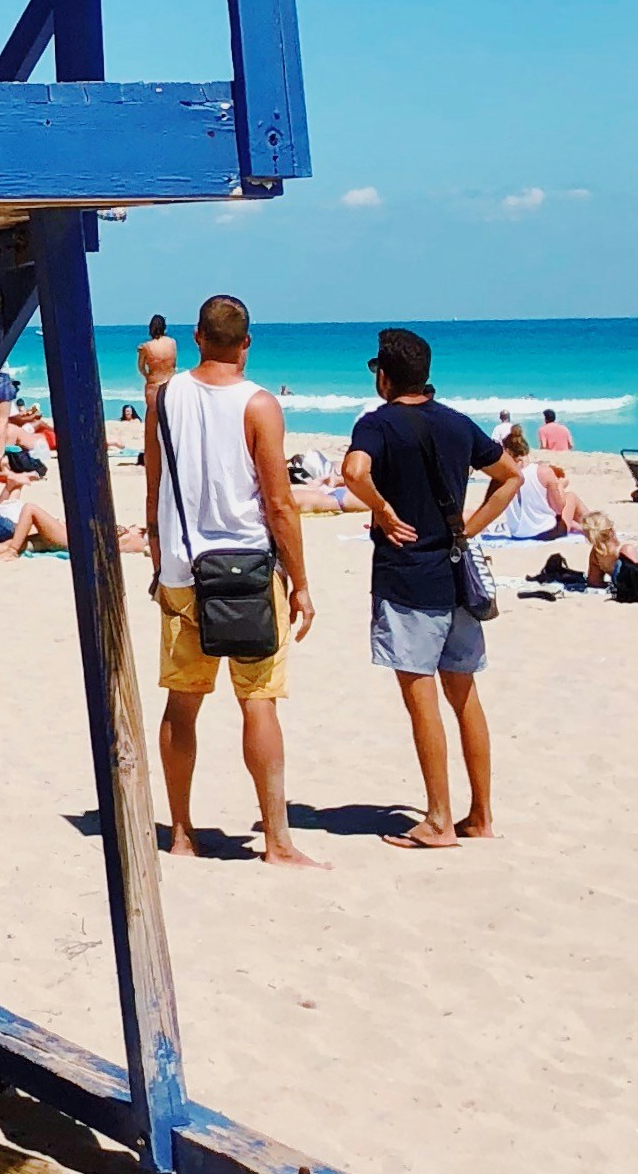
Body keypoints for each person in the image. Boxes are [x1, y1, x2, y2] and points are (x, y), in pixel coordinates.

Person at [143, 295, 320, 865]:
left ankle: (182, 834)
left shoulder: (164, 398)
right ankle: (276, 840)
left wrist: (156, 554)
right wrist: (301, 581)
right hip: (246, 569)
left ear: (199, 336)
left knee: (183, 703)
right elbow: (278, 502)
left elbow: (155, 486)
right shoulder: (259, 404)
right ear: (247, 342)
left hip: (182, 568)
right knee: (259, 703)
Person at [344, 328, 523, 850]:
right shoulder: (456, 423)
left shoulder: (377, 424)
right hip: (455, 572)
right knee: (464, 695)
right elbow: (510, 476)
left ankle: (440, 819)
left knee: (421, 697)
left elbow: (354, 471)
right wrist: (470, 526)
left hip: (408, 576)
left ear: (384, 374)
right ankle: (481, 815)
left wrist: (381, 509)